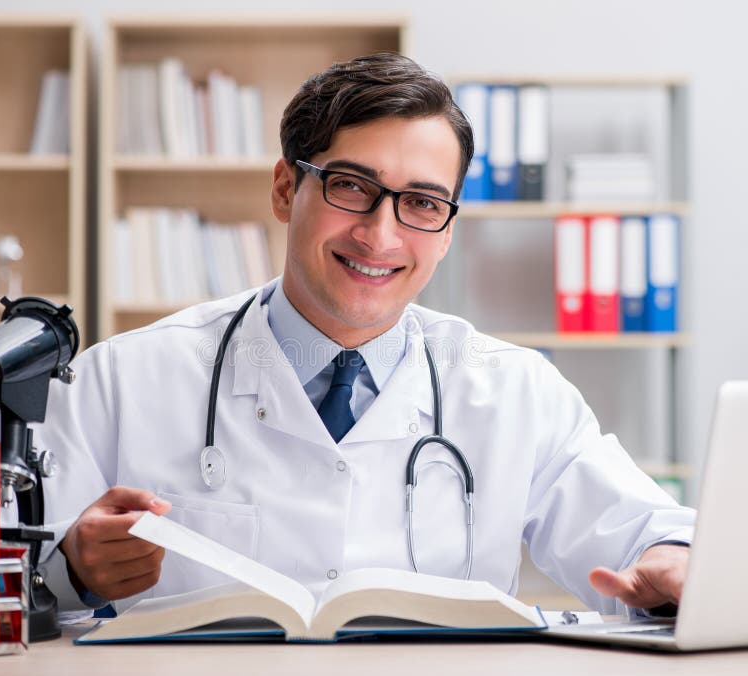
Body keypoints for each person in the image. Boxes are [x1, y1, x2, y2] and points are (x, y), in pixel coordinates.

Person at [34, 53, 694, 617]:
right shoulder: (121, 379)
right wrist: (72, 569)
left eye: (422, 203)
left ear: (447, 230)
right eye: (351, 187)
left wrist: (669, 561)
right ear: (285, 189)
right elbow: (11, 575)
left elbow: (646, 536)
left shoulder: (516, 392)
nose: (380, 235)